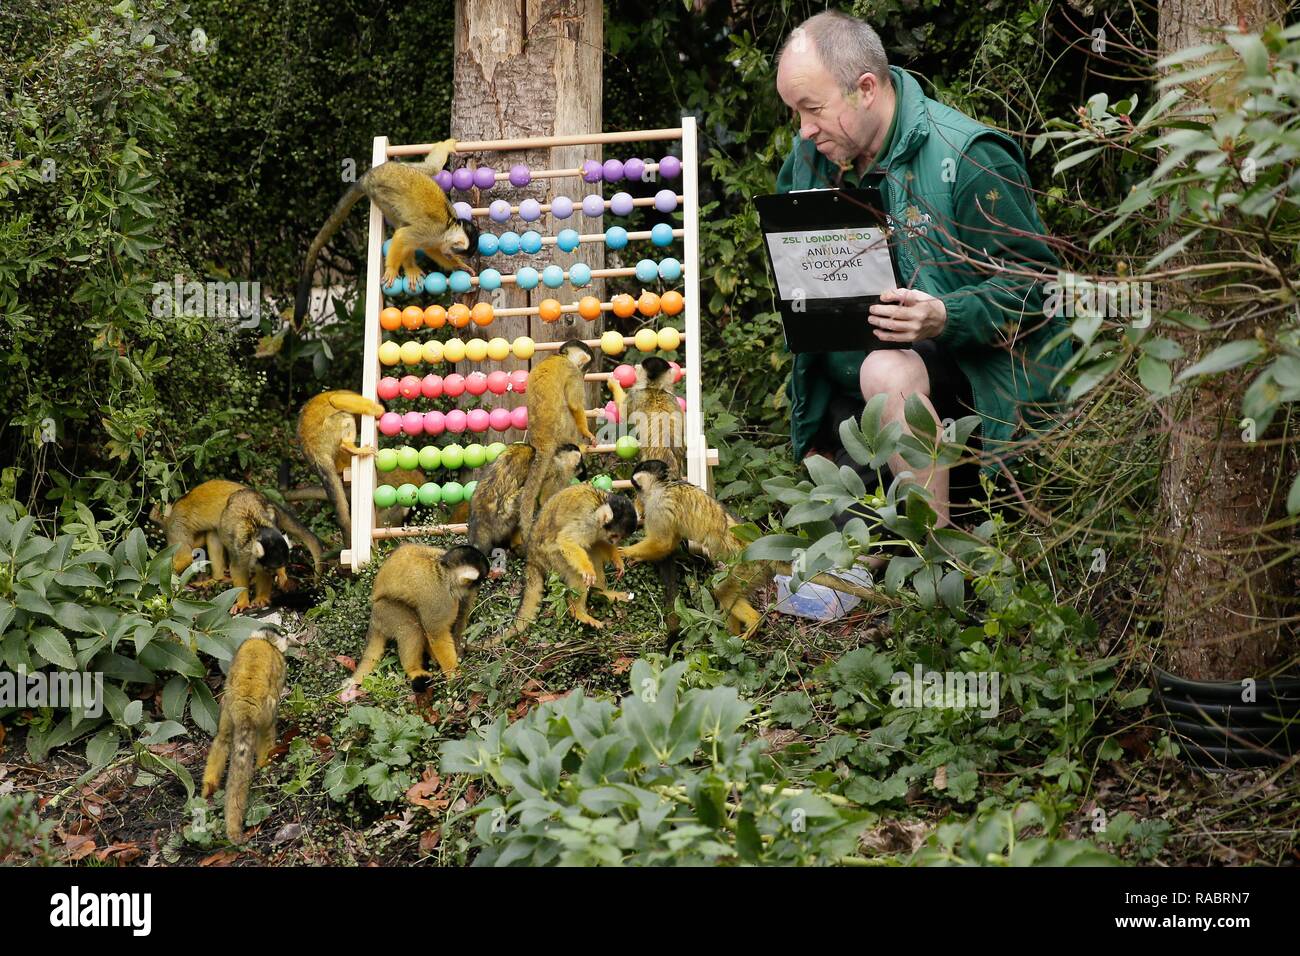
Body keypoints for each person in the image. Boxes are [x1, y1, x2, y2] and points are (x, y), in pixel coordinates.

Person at [774, 10, 1072, 530]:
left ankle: (933, 557)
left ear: (866, 88)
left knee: (887, 369)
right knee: (822, 565)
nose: (804, 129)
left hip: (972, 387)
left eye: (813, 109)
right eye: (795, 113)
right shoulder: (809, 161)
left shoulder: (969, 155)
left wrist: (943, 316)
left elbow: (1038, 290)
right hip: (854, 407)